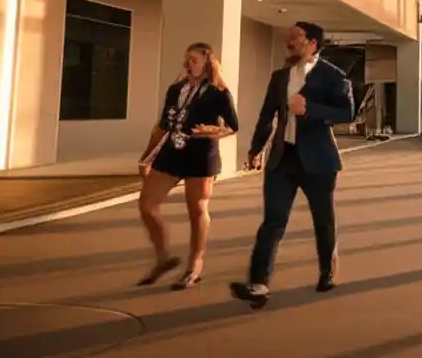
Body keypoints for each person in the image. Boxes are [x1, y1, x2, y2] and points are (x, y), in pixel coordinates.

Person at [231, 22, 355, 309]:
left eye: (295, 37)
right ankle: (259, 283)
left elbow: (347, 111)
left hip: (319, 162)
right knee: (273, 221)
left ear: (312, 43)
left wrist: (311, 110)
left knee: (322, 220)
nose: (289, 41)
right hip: (282, 159)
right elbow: (267, 115)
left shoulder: (332, 76)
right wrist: (255, 148)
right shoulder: (280, 77)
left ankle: (327, 270)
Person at [136, 43, 238, 289]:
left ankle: (195, 265)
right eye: (187, 59)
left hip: (201, 155)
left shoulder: (219, 92)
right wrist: (146, 156)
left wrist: (214, 131)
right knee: (147, 205)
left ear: (207, 62)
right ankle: (163, 257)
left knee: (197, 210)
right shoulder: (175, 89)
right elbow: (162, 126)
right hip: (172, 153)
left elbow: (233, 126)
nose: (188, 64)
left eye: (194, 59)